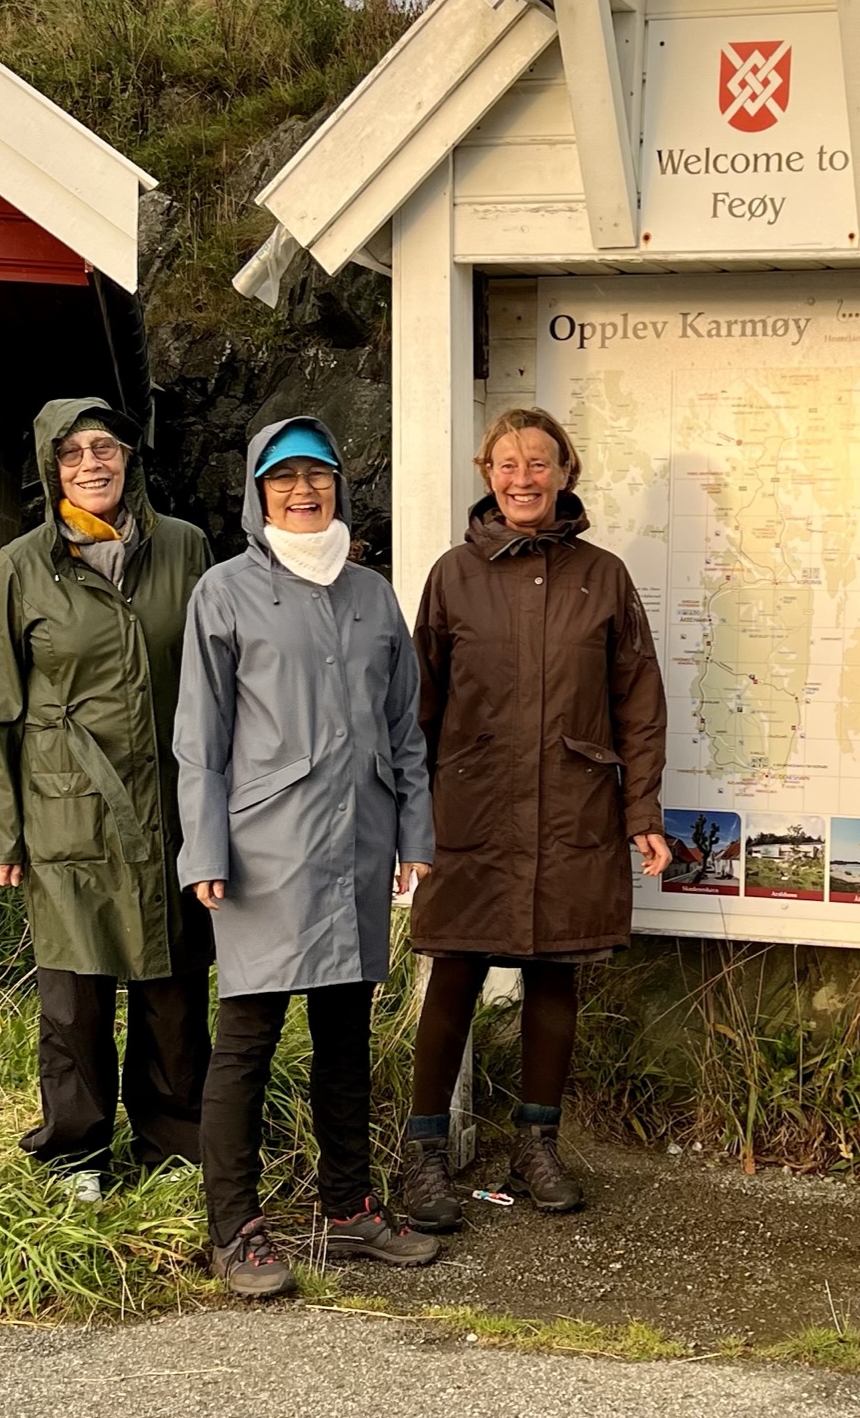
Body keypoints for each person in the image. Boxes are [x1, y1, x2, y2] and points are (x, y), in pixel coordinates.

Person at [174, 417, 438, 1298]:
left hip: (356, 843)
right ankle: (235, 1227)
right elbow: (199, 738)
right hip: (263, 848)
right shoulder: (225, 590)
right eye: (283, 478)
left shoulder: (372, 594)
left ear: (339, 487)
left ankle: (348, 1205)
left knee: (343, 1033)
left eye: (318, 475)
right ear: (257, 493)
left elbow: (404, 729)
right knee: (245, 1036)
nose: (302, 490)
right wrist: (203, 844)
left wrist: (414, 835)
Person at [400, 406, 670, 1233]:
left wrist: (642, 808)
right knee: (455, 970)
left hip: (572, 807)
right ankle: (422, 1155)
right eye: (508, 463)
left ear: (565, 473)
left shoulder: (604, 575)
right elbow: (419, 703)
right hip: (472, 808)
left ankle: (537, 1145)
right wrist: (410, 820)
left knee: (557, 970)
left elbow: (639, 700)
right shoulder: (452, 575)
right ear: (487, 473)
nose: (523, 478)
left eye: (539, 463)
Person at [0, 398, 214, 1204]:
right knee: (73, 998)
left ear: (127, 456)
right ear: (52, 467)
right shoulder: (24, 562)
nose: (91, 463)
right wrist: (3, 828)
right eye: (73, 451)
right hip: (64, 805)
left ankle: (173, 1145)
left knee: (174, 987)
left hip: (171, 802)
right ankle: (75, 1156)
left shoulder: (185, 547)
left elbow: (220, 682)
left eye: (104, 446)